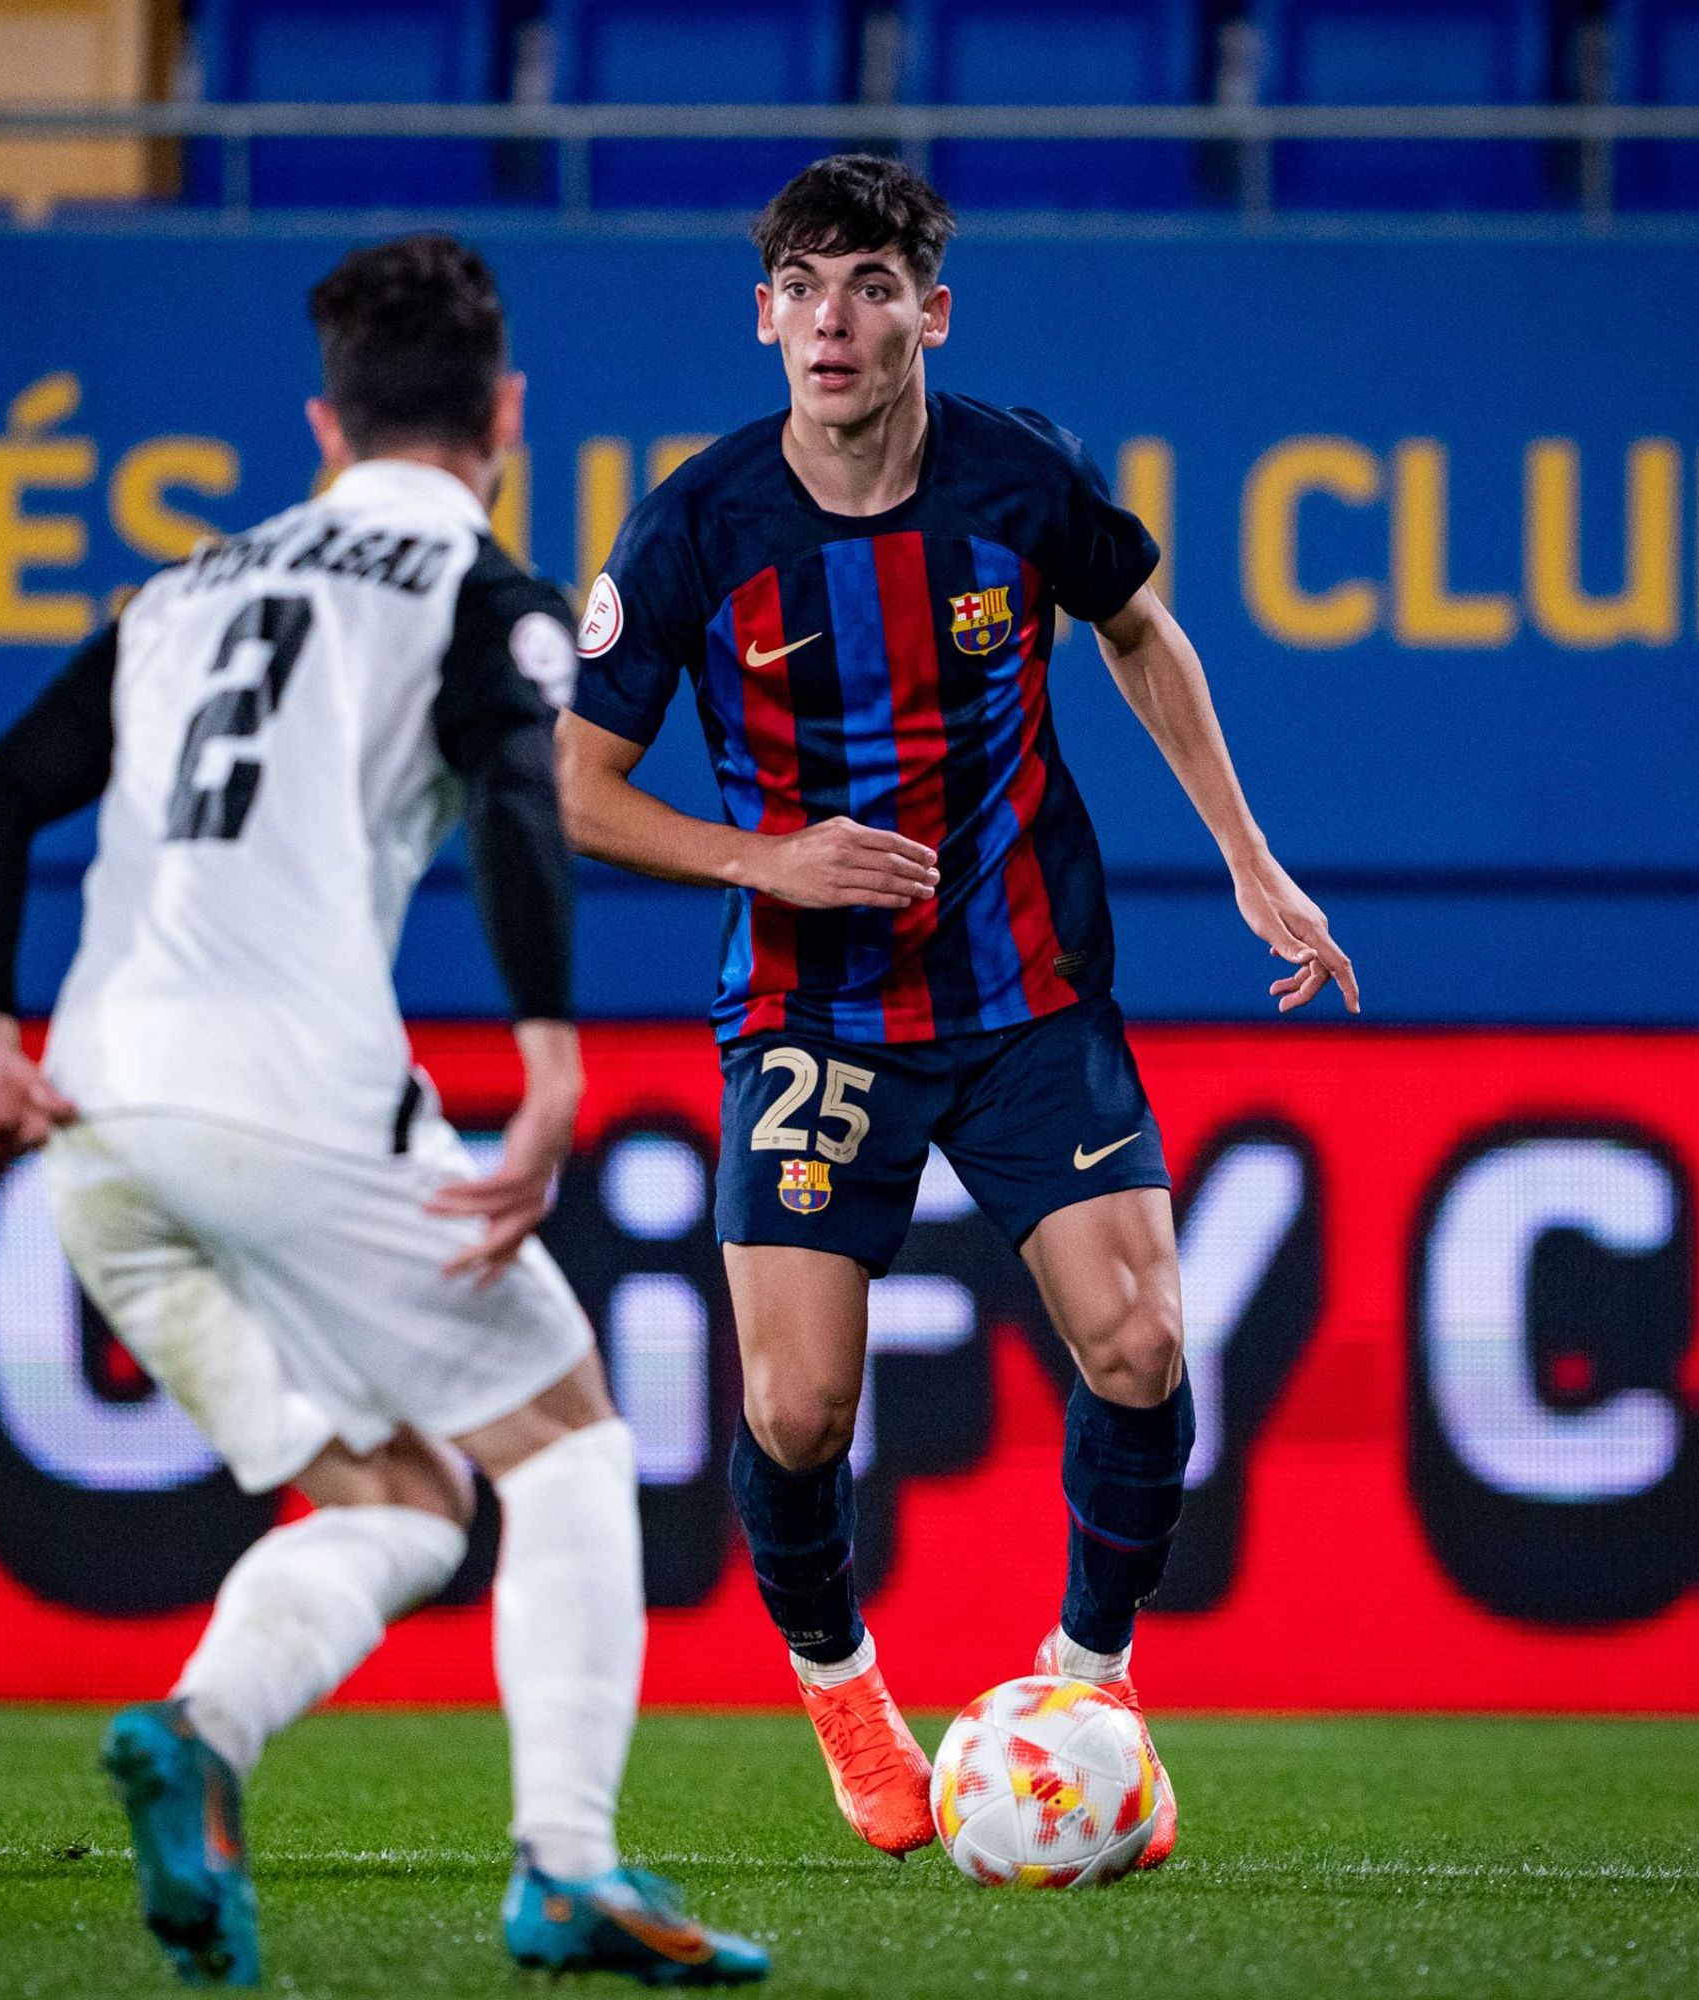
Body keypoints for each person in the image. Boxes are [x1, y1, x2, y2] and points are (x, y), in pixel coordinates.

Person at [0, 232, 765, 1988]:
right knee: (570, 1441)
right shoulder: (478, 588)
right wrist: (551, 1063)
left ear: (324, 421)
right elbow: (527, 801)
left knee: (404, 1499)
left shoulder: (179, 591)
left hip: (93, 1129)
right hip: (288, 1105)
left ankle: (204, 1736)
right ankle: (568, 1866)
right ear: (508, 416)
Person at [556, 156, 1360, 1860]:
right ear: (762, 312)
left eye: (868, 285)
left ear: (934, 307)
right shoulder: (696, 525)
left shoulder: (1018, 477)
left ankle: (1091, 1672)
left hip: (1022, 996)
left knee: (1140, 1347)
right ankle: (845, 1689)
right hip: (811, 1015)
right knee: (795, 1411)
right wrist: (763, 859)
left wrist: (1248, 858)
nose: (832, 321)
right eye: (802, 286)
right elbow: (574, 787)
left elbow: (1142, 630)